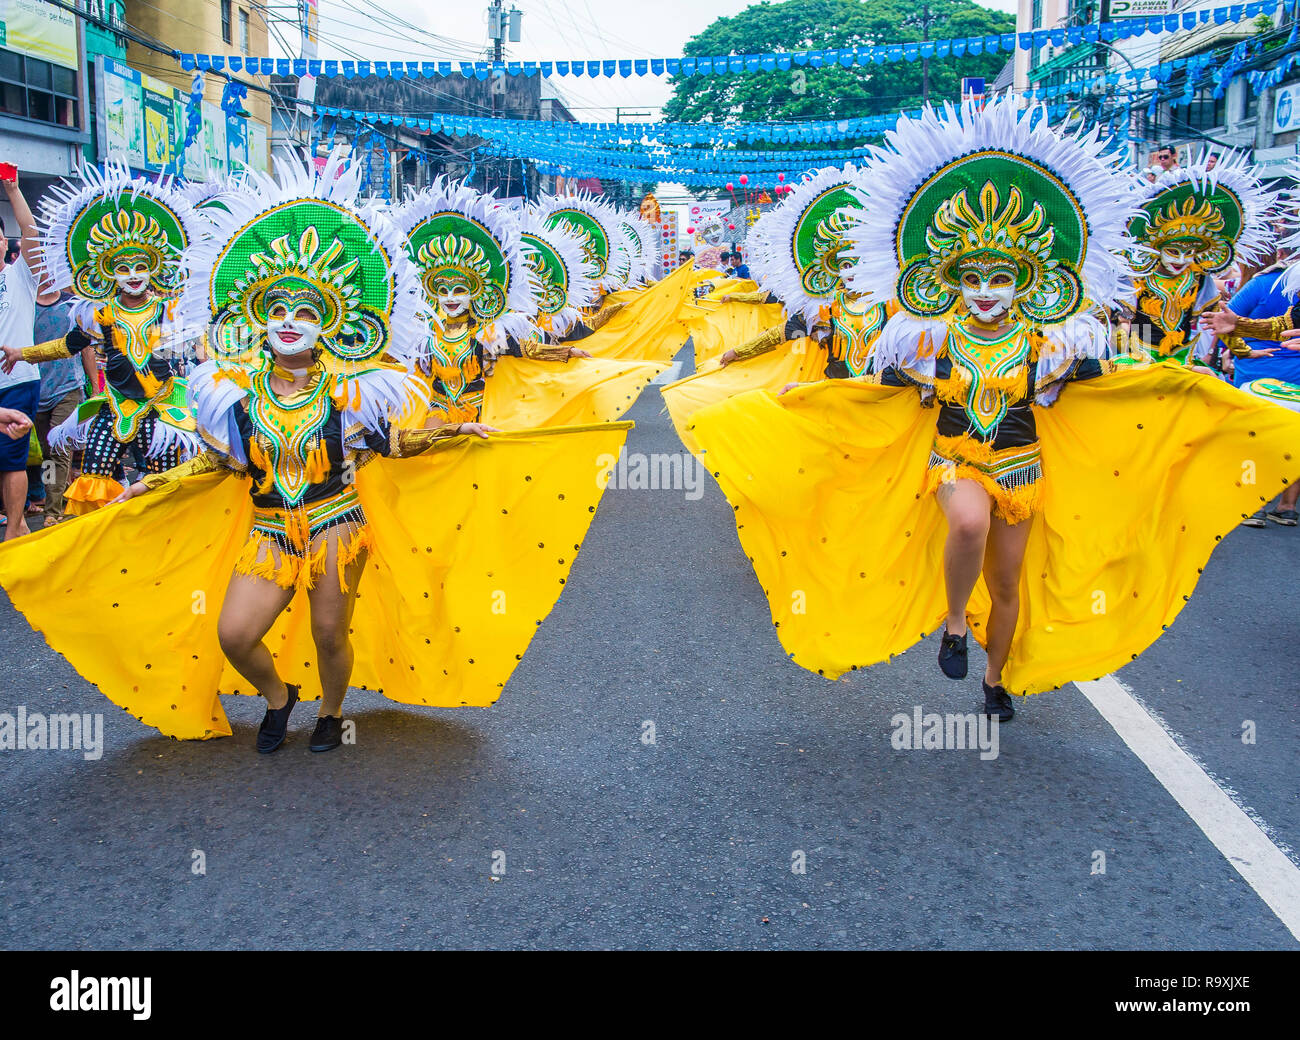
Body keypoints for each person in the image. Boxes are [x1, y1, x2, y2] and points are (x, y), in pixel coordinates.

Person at [687, 101, 1300, 721]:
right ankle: (954, 623)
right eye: (971, 275)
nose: (985, 289)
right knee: (968, 526)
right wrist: (807, 396)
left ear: (1027, 281)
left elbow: (1115, 380)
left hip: (1024, 466)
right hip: (955, 458)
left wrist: (1187, 383)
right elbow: (880, 386)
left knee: (1007, 585)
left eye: (1001, 276)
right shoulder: (929, 340)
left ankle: (996, 678)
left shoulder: (1051, 343)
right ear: (949, 280)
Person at [0, 150, 634, 749]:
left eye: (304, 311)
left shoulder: (353, 392)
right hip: (270, 530)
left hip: (336, 525)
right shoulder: (232, 394)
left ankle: (331, 712)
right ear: (253, 316)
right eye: (275, 308)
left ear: (330, 321)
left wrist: (457, 432)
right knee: (234, 634)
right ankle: (279, 697)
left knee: (332, 632)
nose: (287, 322)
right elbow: (222, 461)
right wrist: (155, 485)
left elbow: (394, 444)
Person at [2, 162, 203, 514]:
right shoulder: (101, 313)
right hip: (113, 406)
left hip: (162, 407)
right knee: (93, 477)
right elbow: (68, 345)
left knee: (163, 483)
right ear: (109, 272)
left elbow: (202, 339)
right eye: (123, 268)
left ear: (155, 268)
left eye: (141, 266)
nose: (133, 276)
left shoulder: (168, 310)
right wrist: (23, 353)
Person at [1117, 149, 1276, 368]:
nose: (1181, 259)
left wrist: (1242, 351)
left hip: (1182, 361)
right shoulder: (1138, 274)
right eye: (1173, 251)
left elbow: (1215, 320)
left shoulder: (1197, 277)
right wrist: (1122, 357)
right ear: (1157, 248)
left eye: (1189, 252)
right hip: (1139, 362)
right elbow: (1123, 323)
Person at [0, 169, 43, 540]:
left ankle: (13, 530)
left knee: (11, 459)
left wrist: (13, 190)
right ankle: (20, 522)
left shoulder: (18, 276)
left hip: (17, 380)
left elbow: (31, 234)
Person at [31, 289, 88, 526]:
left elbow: (86, 346)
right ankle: (55, 492)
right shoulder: (26, 304)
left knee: (59, 449)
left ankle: (52, 511)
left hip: (68, 388)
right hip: (37, 388)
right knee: (46, 454)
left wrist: (95, 387)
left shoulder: (71, 305)